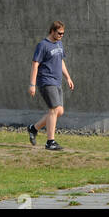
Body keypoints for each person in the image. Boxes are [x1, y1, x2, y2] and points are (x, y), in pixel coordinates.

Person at [28, 19, 74, 150]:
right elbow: (35, 65)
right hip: (46, 81)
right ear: (52, 31)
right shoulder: (43, 45)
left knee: (59, 111)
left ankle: (33, 128)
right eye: (59, 33)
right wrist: (32, 84)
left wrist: (68, 78)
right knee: (53, 110)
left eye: (63, 34)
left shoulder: (59, 44)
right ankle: (50, 142)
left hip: (57, 81)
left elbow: (61, 62)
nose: (61, 36)